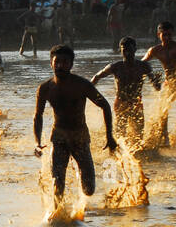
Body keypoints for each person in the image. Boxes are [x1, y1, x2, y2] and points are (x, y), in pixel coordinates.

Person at [33, 44, 118, 200]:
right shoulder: (45, 88)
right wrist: (37, 142)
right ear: (51, 62)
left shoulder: (82, 85)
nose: (60, 66)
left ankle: (79, 173)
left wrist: (109, 136)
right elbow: (38, 115)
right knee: (57, 183)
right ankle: (58, 217)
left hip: (80, 138)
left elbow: (105, 105)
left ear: (71, 64)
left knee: (89, 190)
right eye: (56, 62)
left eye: (64, 62)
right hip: (58, 137)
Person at [91, 36, 162, 148]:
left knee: (138, 135)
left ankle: (136, 156)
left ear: (135, 49)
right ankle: (119, 154)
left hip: (136, 103)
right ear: (121, 51)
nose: (127, 53)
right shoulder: (115, 67)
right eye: (125, 50)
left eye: (130, 49)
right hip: (121, 103)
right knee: (120, 133)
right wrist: (87, 92)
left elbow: (157, 87)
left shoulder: (144, 66)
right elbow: (96, 77)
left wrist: (157, 81)